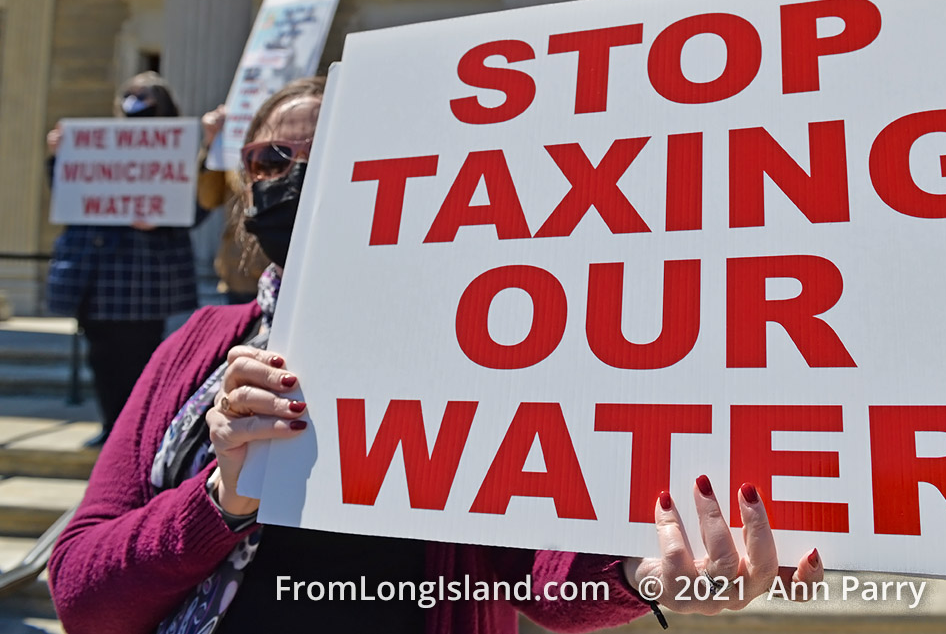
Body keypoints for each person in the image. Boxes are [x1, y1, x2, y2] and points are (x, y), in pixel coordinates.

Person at [48, 77, 824, 634]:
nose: (293, 179)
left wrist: (644, 574)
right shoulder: (194, 347)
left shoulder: (479, 353)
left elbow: (541, 578)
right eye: (269, 162)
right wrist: (221, 499)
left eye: (330, 154)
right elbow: (81, 595)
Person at [45, 71, 198, 447]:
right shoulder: (97, 145)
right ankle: (111, 424)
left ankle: (134, 434)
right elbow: (71, 190)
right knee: (101, 355)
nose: (136, 102)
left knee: (139, 357)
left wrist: (161, 219)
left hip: (141, 275)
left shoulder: (180, 149)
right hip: (93, 272)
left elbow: (196, 206)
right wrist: (57, 156)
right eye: (130, 95)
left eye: (145, 96)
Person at [195, 104, 271, 304]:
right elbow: (208, 198)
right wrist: (212, 143)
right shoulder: (232, 141)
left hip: (278, 273)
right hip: (238, 275)